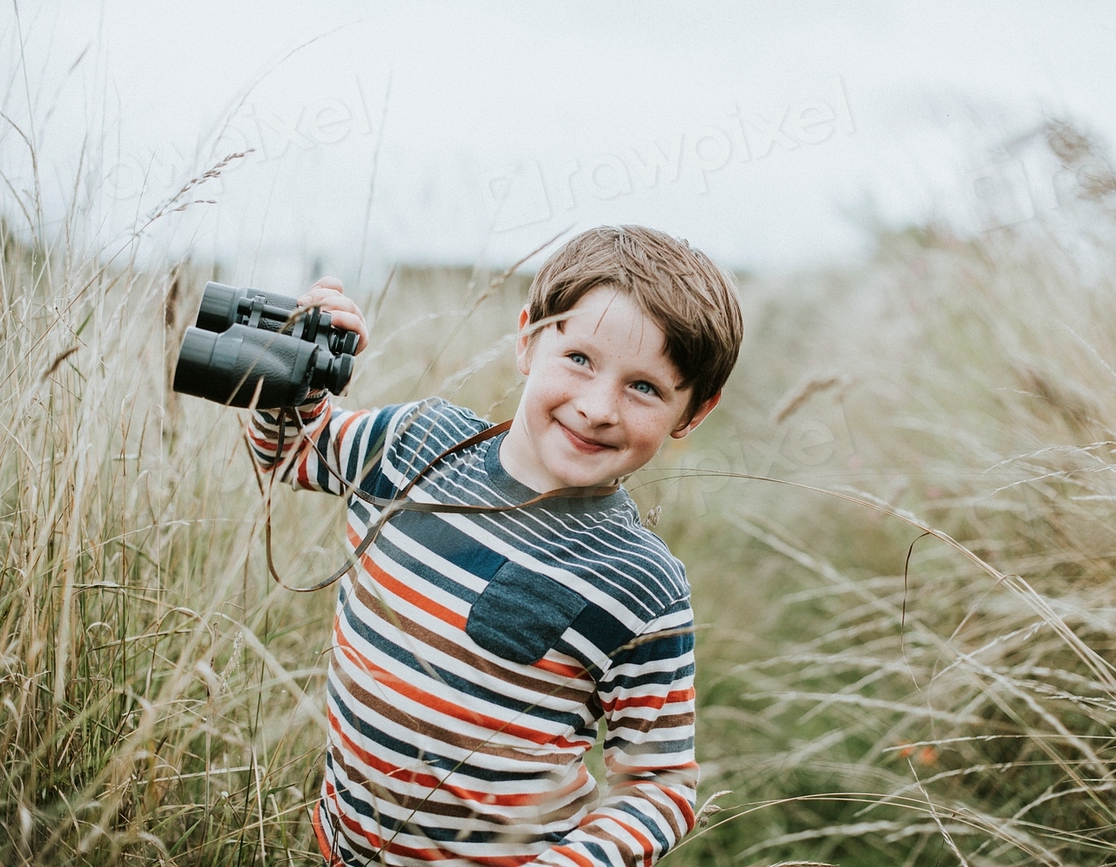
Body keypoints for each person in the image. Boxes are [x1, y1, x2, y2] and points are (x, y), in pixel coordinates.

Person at [247, 225, 744, 866]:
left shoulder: (642, 582)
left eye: (644, 387)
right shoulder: (414, 442)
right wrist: (296, 368)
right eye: (580, 360)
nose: (598, 407)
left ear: (694, 412)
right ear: (528, 341)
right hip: (338, 848)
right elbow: (291, 452)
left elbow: (659, 787)